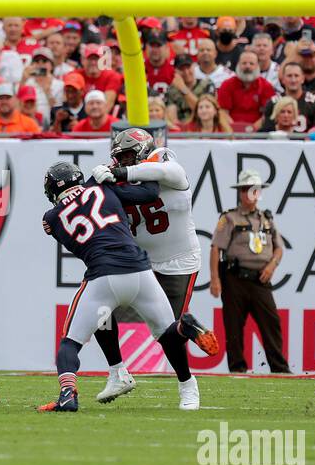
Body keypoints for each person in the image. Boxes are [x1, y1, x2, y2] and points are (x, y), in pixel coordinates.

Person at [88, 129, 220, 409]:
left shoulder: (163, 162)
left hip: (178, 260)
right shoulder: (120, 177)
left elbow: (166, 172)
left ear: (143, 151)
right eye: (118, 158)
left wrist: (120, 175)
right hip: (140, 262)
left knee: (167, 332)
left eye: (127, 156)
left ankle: (188, 385)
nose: (122, 162)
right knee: (98, 311)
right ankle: (117, 373)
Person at [38, 162, 184, 413]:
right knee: (167, 332)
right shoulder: (103, 188)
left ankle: (67, 394)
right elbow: (150, 193)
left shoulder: (50, 219)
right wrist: (121, 173)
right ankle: (186, 337)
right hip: (140, 270)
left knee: (70, 343)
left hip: (102, 277)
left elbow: (67, 222)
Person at [210, 169, 290, 374]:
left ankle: (279, 368)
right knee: (234, 327)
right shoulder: (229, 218)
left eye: (255, 190)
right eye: (247, 190)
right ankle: (237, 368)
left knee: (271, 323)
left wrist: (272, 266)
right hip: (234, 278)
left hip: (260, 279)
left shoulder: (266, 219)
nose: (251, 194)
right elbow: (216, 248)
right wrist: (215, 279)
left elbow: (279, 247)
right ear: (240, 192)